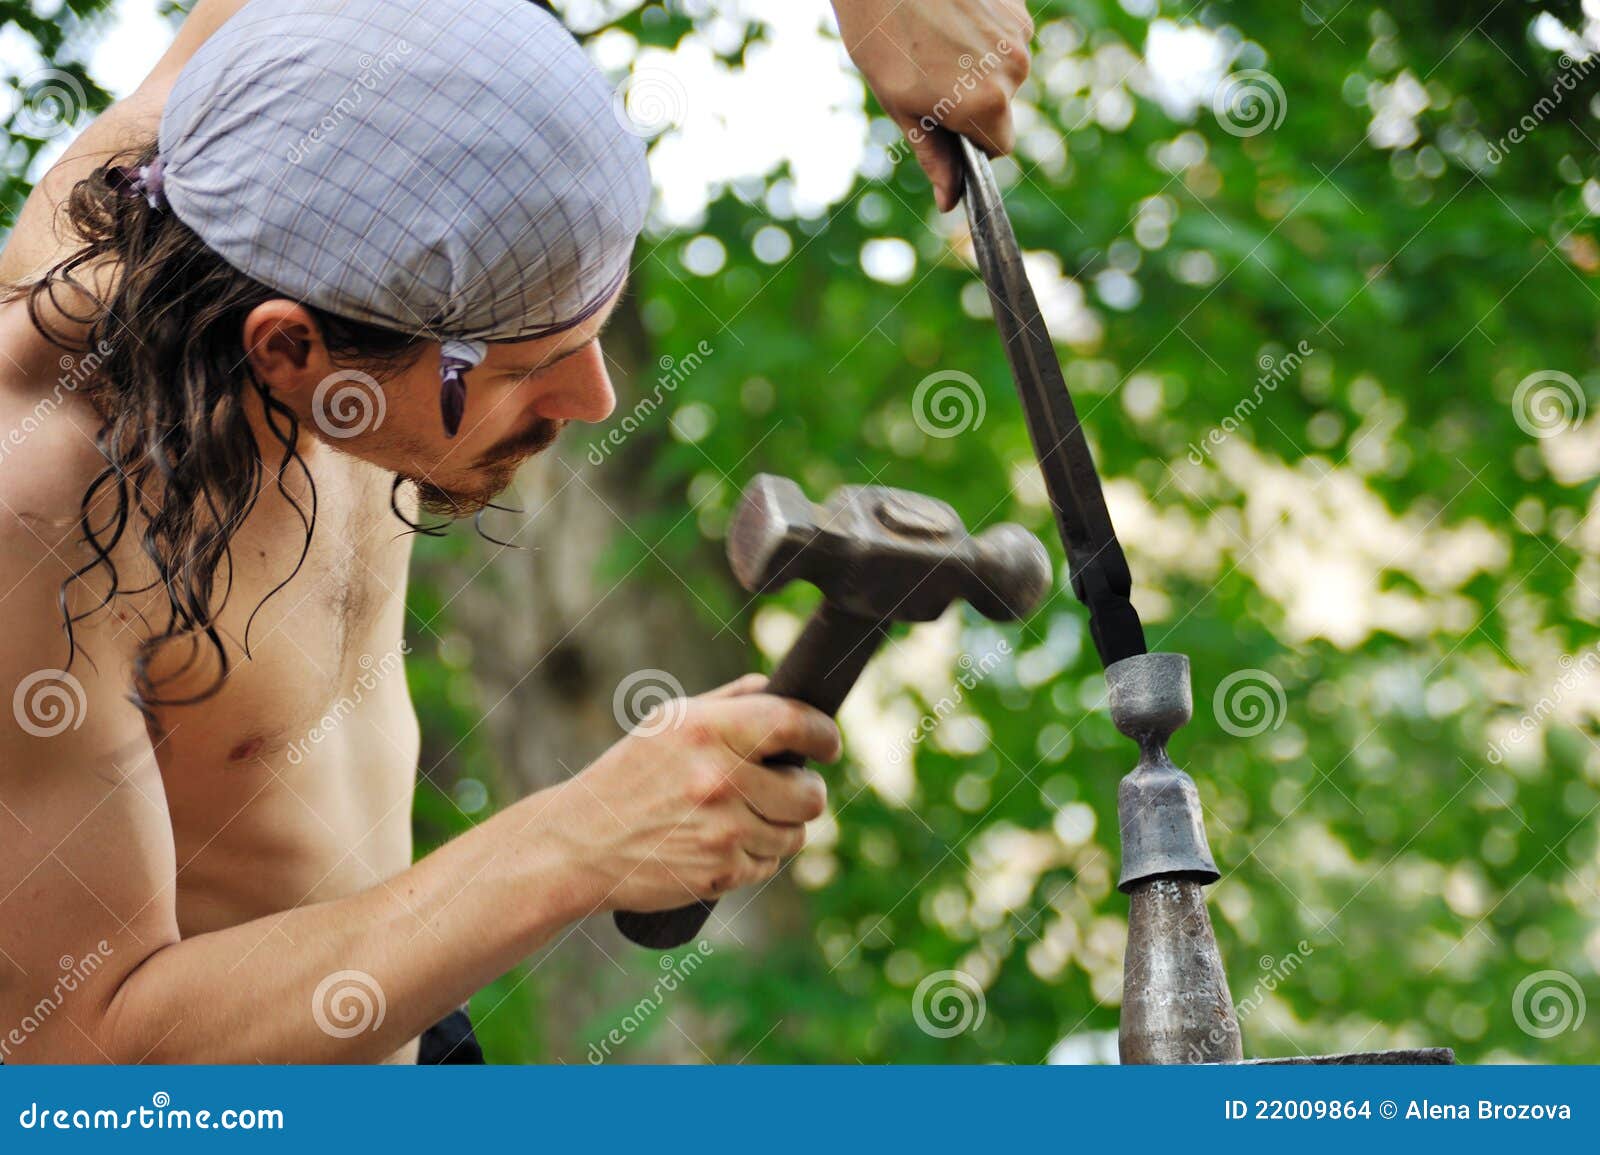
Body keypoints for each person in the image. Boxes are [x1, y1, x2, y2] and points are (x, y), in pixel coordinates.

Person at [0, 0, 1032, 1063]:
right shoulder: (38, 508)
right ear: (292, 349)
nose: (591, 400)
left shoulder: (305, 98)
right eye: (531, 365)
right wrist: (573, 842)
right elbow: (79, 1058)